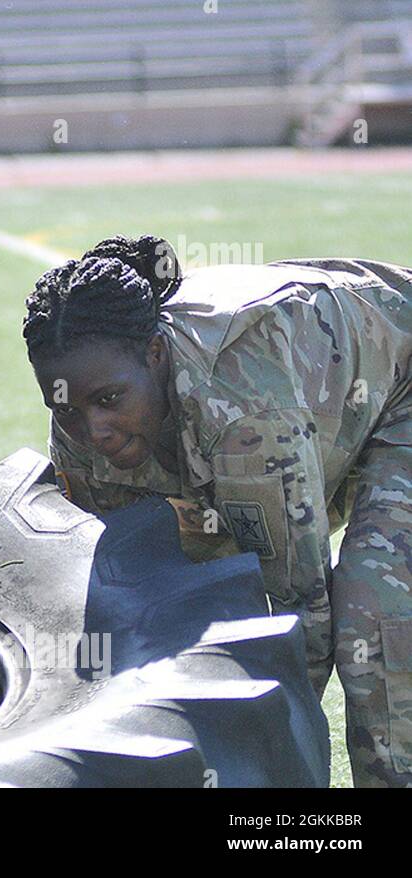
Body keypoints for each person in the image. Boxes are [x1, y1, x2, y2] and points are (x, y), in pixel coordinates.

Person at [22, 235, 412, 787]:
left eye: (109, 400)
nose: (93, 431)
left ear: (155, 355)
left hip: (399, 387)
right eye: (64, 407)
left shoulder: (245, 419)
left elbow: (299, 608)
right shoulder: (83, 421)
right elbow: (119, 589)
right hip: (324, 404)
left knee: (373, 606)